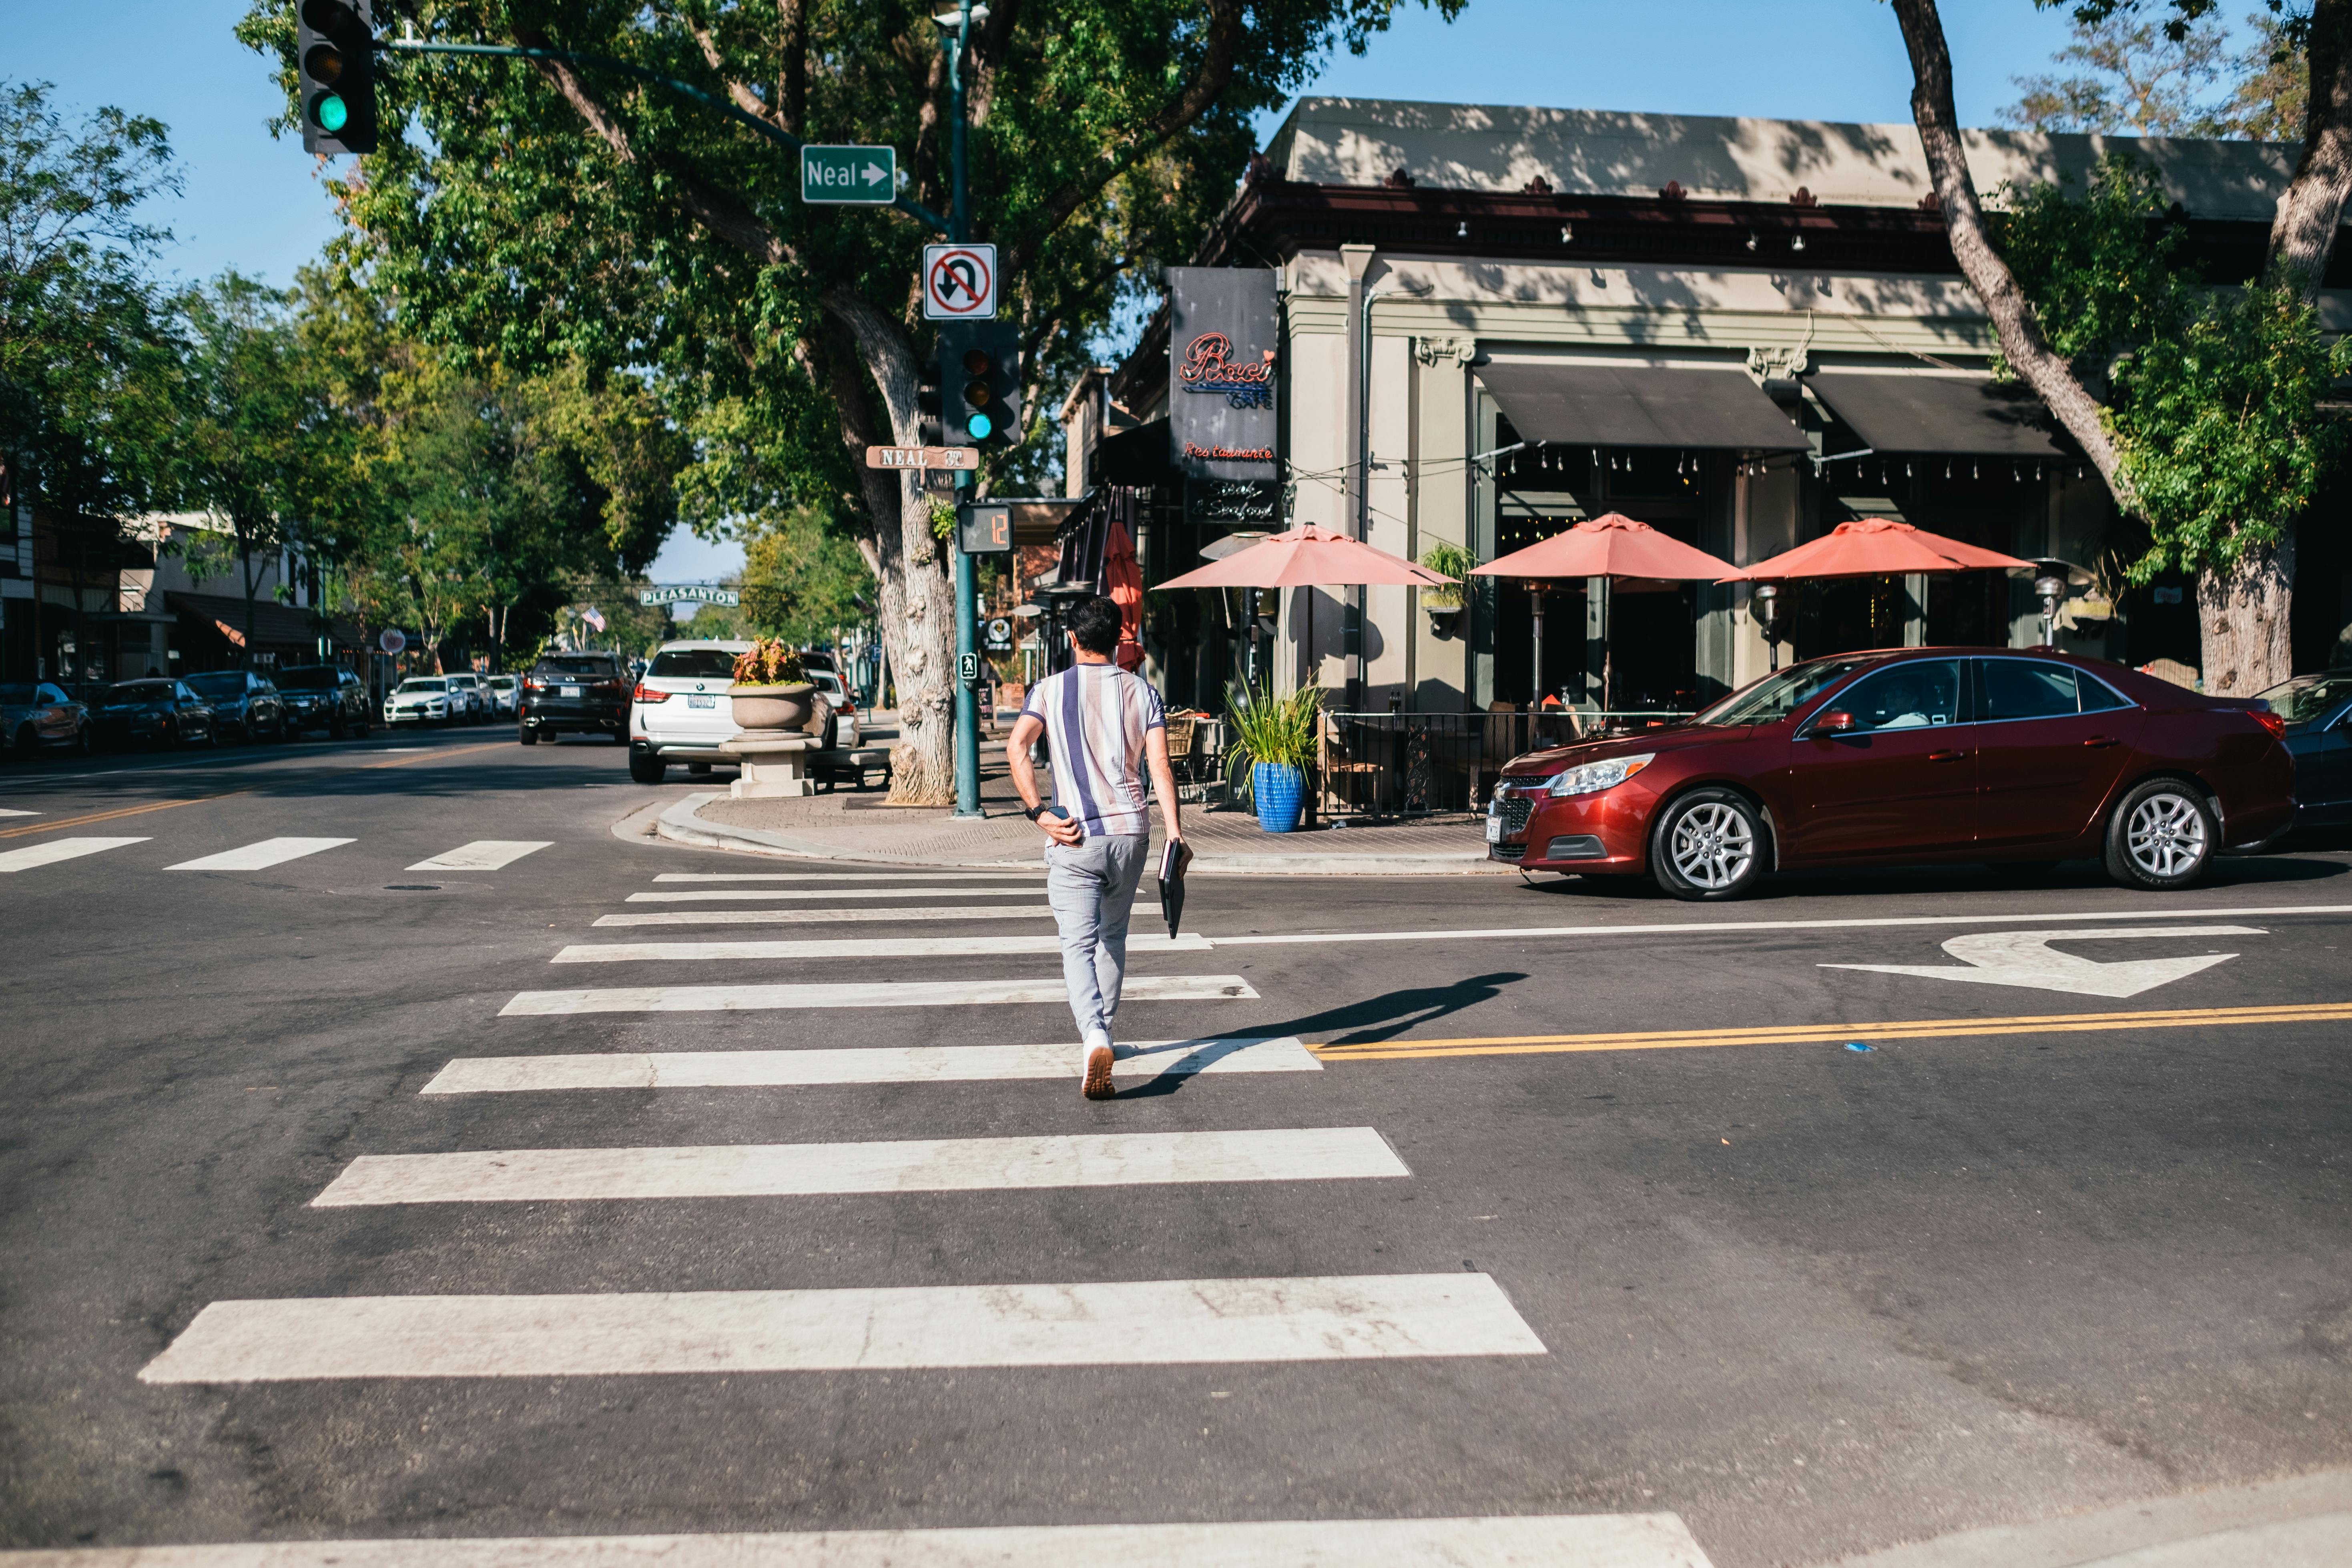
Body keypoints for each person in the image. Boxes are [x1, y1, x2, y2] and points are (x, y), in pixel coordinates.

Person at [1006, 595, 1184, 1100]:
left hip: (1075, 833)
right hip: (1131, 834)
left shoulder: (1047, 690)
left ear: (1071, 639)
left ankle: (1094, 1035)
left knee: (1077, 943)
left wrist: (1037, 811)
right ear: (1119, 639)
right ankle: (1101, 1030)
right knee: (1113, 935)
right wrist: (1174, 833)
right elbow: (1160, 768)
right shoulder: (1144, 693)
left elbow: (1016, 747)